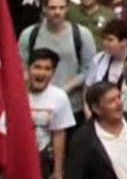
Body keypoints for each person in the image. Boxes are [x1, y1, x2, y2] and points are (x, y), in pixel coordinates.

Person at [19, 0, 96, 124]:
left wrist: (64, 89)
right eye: (52, 8)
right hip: (37, 107)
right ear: (44, 8)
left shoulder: (82, 35)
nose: (57, 12)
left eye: (61, 8)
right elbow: (21, 66)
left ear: (67, 9)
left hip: (71, 106)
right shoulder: (29, 34)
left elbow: (89, 69)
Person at [27, 48, 75, 179]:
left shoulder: (59, 96)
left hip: (42, 158)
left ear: (53, 72)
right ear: (28, 68)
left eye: (47, 69)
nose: (41, 73)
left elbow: (59, 134)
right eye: (37, 67)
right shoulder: (14, 93)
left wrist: (57, 171)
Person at [84, 19, 127, 89]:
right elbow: (88, 87)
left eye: (110, 40)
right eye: (104, 39)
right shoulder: (98, 59)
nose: (105, 43)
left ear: (124, 42)